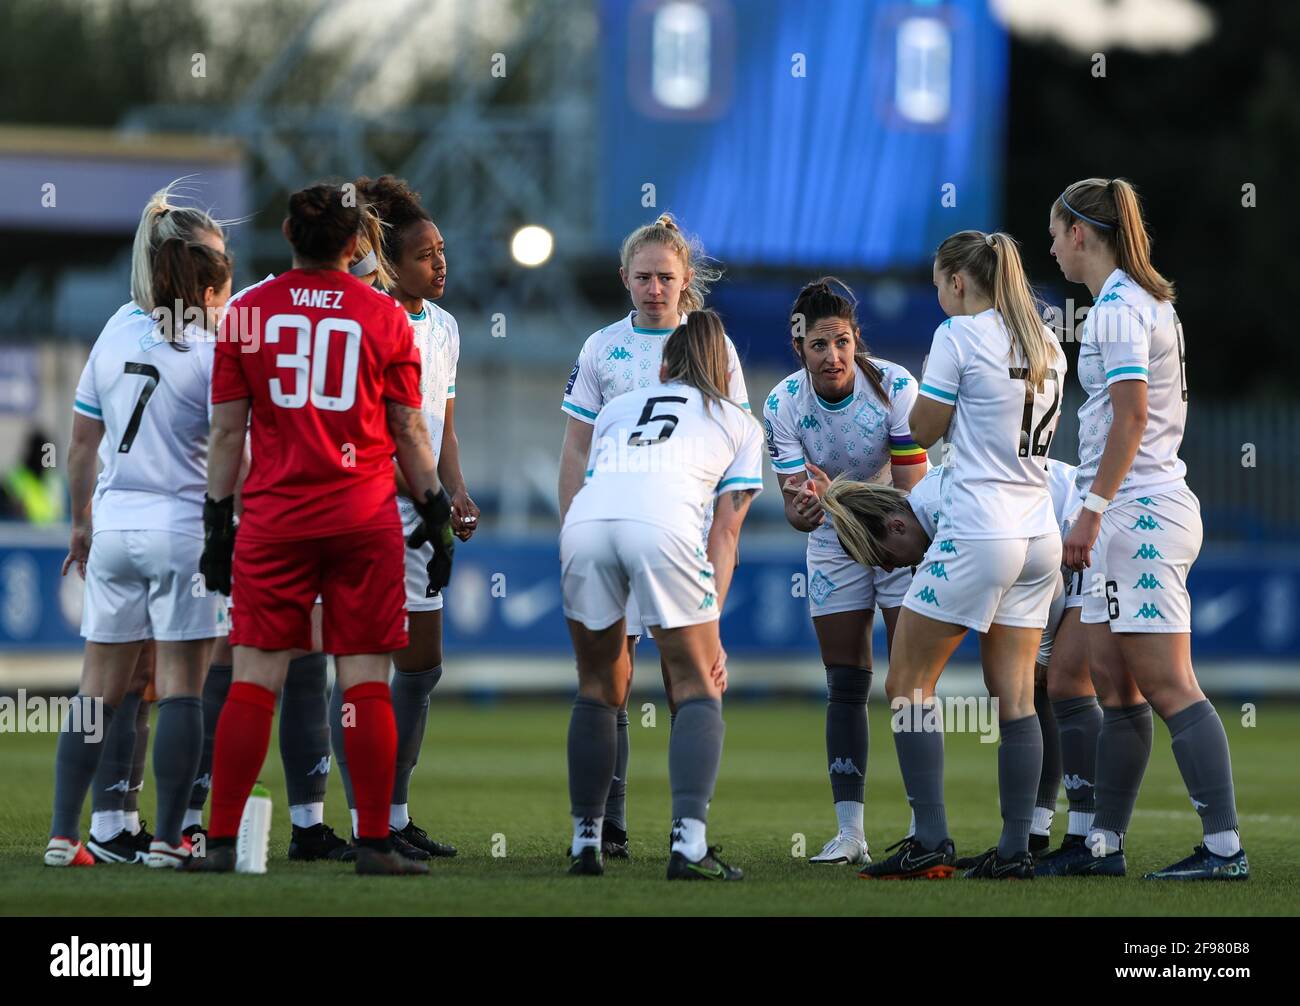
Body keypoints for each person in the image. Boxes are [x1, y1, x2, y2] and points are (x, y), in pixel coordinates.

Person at [185, 182, 453, 877]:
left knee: (254, 680)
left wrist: (219, 524)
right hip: (363, 518)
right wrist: (435, 511)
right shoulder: (385, 316)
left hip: (275, 519)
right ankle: (373, 843)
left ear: (287, 234)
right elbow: (408, 430)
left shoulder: (244, 315)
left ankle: (218, 843)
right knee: (365, 679)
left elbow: (225, 432)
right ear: (357, 243)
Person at [1044, 177, 1247, 880]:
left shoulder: (1117, 310)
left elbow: (1131, 417)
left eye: (1054, 233)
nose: (1050, 248)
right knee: (1115, 687)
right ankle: (1103, 844)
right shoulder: (1133, 302)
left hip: (1143, 512)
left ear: (1079, 234)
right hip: (1127, 513)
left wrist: (1090, 509)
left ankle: (1224, 849)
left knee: (1168, 685)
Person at [854, 229, 1067, 881]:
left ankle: (932, 839)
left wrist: (893, 426)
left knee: (907, 683)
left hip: (980, 528)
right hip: (1038, 538)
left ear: (956, 281)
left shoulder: (959, 336)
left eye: (937, 282)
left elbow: (924, 429)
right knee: (1017, 696)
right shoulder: (1046, 341)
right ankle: (1010, 850)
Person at [45, 216, 233, 869]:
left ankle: (64, 837)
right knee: (182, 686)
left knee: (96, 687)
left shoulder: (117, 328)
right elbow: (232, 451)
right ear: (211, 288)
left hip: (114, 522)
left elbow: (79, 446)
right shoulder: (214, 353)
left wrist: (80, 524)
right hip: (181, 527)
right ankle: (168, 840)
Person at [557, 212, 745, 858]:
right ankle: (678, 838)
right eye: (645, 278)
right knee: (689, 681)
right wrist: (714, 620)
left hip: (600, 523)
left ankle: (586, 835)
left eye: (667, 278)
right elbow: (729, 518)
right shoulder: (609, 350)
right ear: (626, 280)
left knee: (601, 684)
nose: (656, 288)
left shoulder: (634, 397)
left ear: (685, 282)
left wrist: (572, 536)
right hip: (667, 531)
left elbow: (585, 454)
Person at [810, 456, 1095, 865]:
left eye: (883, 558)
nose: (891, 567)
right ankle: (1028, 838)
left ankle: (1084, 839)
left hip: (1081, 528)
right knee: (1031, 686)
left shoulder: (948, 512)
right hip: (1047, 535)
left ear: (896, 525)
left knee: (1064, 683)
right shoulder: (936, 495)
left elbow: (929, 419)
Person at [323, 174, 477, 860]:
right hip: (366, 508)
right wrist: (421, 492)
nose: (440, 263)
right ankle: (365, 820)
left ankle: (395, 811)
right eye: (424, 255)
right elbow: (365, 428)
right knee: (361, 669)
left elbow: (438, 424)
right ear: (390, 263)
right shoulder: (364, 317)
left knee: (422, 665)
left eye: (442, 250)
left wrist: (457, 491)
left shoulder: (444, 328)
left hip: (422, 509)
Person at [763, 277, 926, 866]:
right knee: (846, 681)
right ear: (799, 349)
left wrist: (842, 496)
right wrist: (806, 508)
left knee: (910, 679)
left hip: (900, 534)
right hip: (834, 540)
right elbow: (794, 511)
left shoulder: (897, 387)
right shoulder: (782, 404)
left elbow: (911, 495)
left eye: (842, 342)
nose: (832, 356)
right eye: (818, 346)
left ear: (857, 340)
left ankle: (922, 825)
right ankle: (850, 833)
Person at [0, 428, 66, 524]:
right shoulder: (13, 480)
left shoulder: (54, 481)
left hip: (53, 536)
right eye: (41, 453)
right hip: (23, 535)